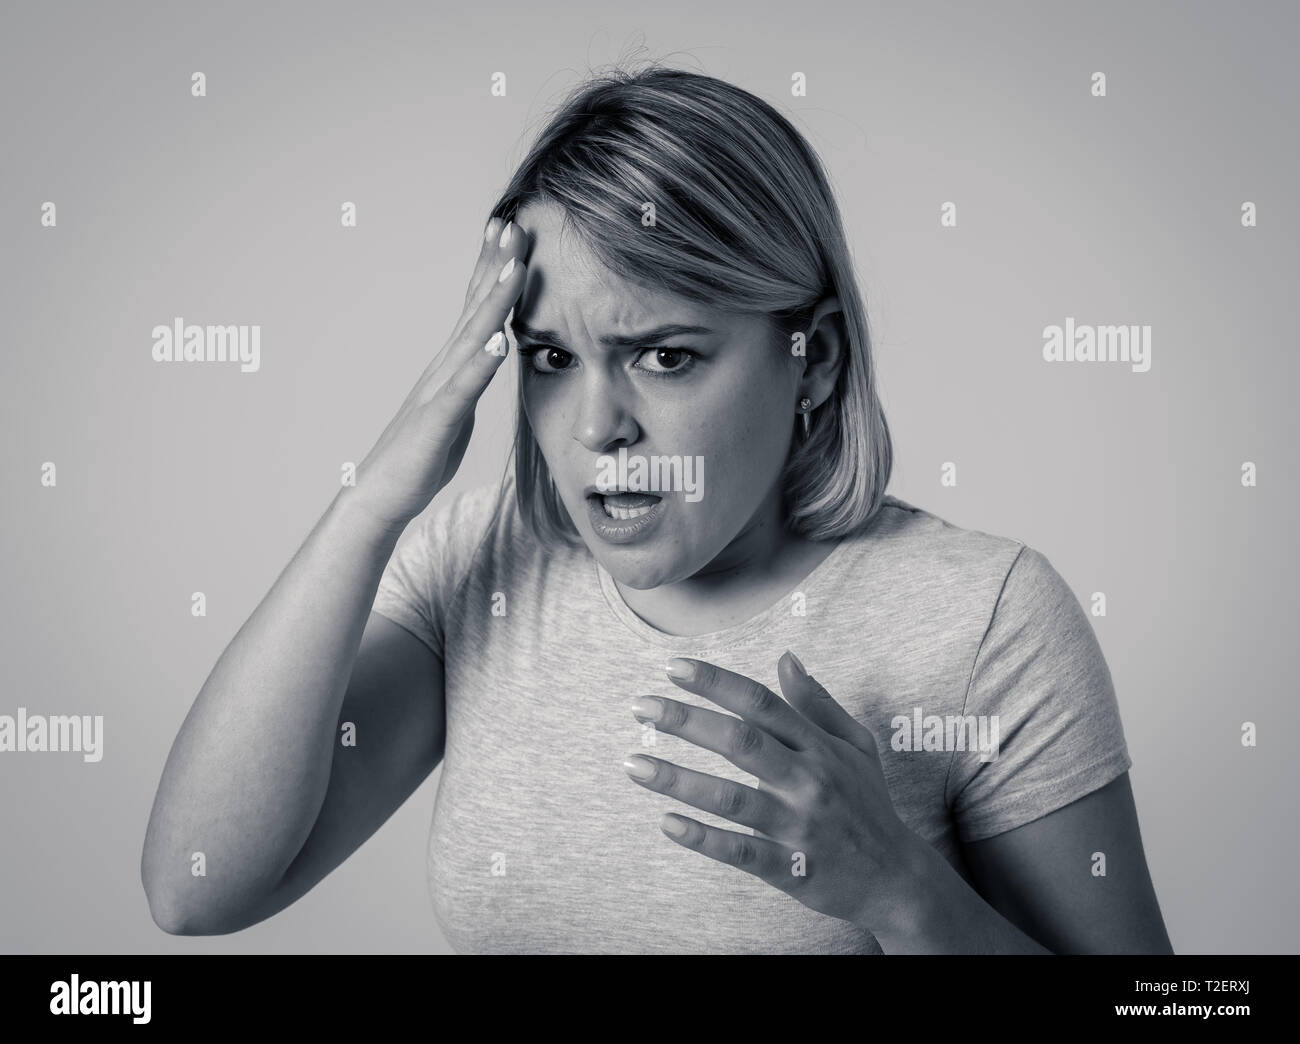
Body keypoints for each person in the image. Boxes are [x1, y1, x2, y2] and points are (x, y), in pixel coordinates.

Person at [141, 64, 1173, 954]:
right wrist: (371, 503)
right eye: (550, 358)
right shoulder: (484, 566)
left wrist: (906, 897)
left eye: (664, 356)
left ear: (812, 359)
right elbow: (196, 888)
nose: (598, 427)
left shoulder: (984, 616)